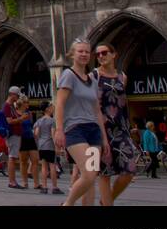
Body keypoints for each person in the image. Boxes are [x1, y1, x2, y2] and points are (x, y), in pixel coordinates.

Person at [54, 39, 109, 206]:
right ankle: (68, 204)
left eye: (87, 51)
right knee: (89, 173)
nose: (84, 54)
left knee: (90, 178)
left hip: (93, 131)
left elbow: (97, 111)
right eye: (80, 51)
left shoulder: (92, 80)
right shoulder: (68, 75)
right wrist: (59, 129)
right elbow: (60, 103)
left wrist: (104, 138)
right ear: (72, 54)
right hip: (75, 129)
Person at [95, 42, 136, 204]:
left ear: (114, 54)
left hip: (121, 128)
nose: (101, 56)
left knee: (129, 170)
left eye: (104, 53)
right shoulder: (94, 76)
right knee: (105, 173)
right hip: (101, 128)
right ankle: (107, 204)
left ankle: (107, 200)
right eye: (97, 54)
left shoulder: (122, 77)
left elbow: (122, 102)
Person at [0, 86, 25, 190]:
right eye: (17, 95)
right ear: (13, 94)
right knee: (12, 158)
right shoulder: (7, 106)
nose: (18, 97)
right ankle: (12, 182)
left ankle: (13, 181)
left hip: (15, 134)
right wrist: (21, 119)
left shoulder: (11, 106)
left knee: (13, 157)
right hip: (13, 134)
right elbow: (9, 121)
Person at [16, 95, 40, 189]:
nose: (28, 104)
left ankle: (36, 183)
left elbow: (31, 125)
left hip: (30, 138)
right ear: (22, 103)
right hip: (21, 139)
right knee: (23, 162)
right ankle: (24, 182)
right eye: (27, 102)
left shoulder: (29, 113)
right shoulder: (16, 113)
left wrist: (35, 133)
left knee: (35, 160)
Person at [35, 100, 59, 194]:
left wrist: (39, 142)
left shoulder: (39, 121)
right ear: (47, 109)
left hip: (41, 146)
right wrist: (56, 146)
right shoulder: (52, 121)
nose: (53, 108)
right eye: (52, 106)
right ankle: (54, 187)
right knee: (52, 166)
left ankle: (44, 187)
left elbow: (36, 134)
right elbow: (53, 134)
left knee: (44, 167)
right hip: (50, 146)